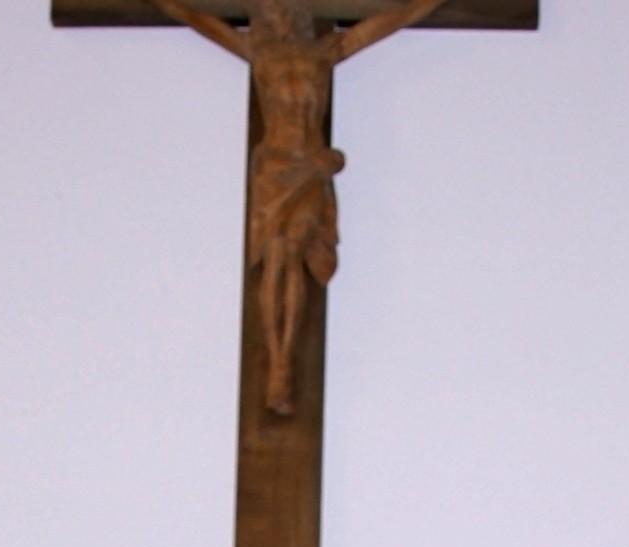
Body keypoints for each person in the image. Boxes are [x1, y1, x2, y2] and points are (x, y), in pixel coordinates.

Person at [143, 0, 454, 415]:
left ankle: (284, 361)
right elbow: (195, 16)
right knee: (275, 259)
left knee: (291, 255)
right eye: (276, 9)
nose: (284, 15)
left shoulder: (325, 53)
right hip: (275, 170)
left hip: (310, 165)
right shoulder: (259, 52)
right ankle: (277, 360)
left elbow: (391, 19)